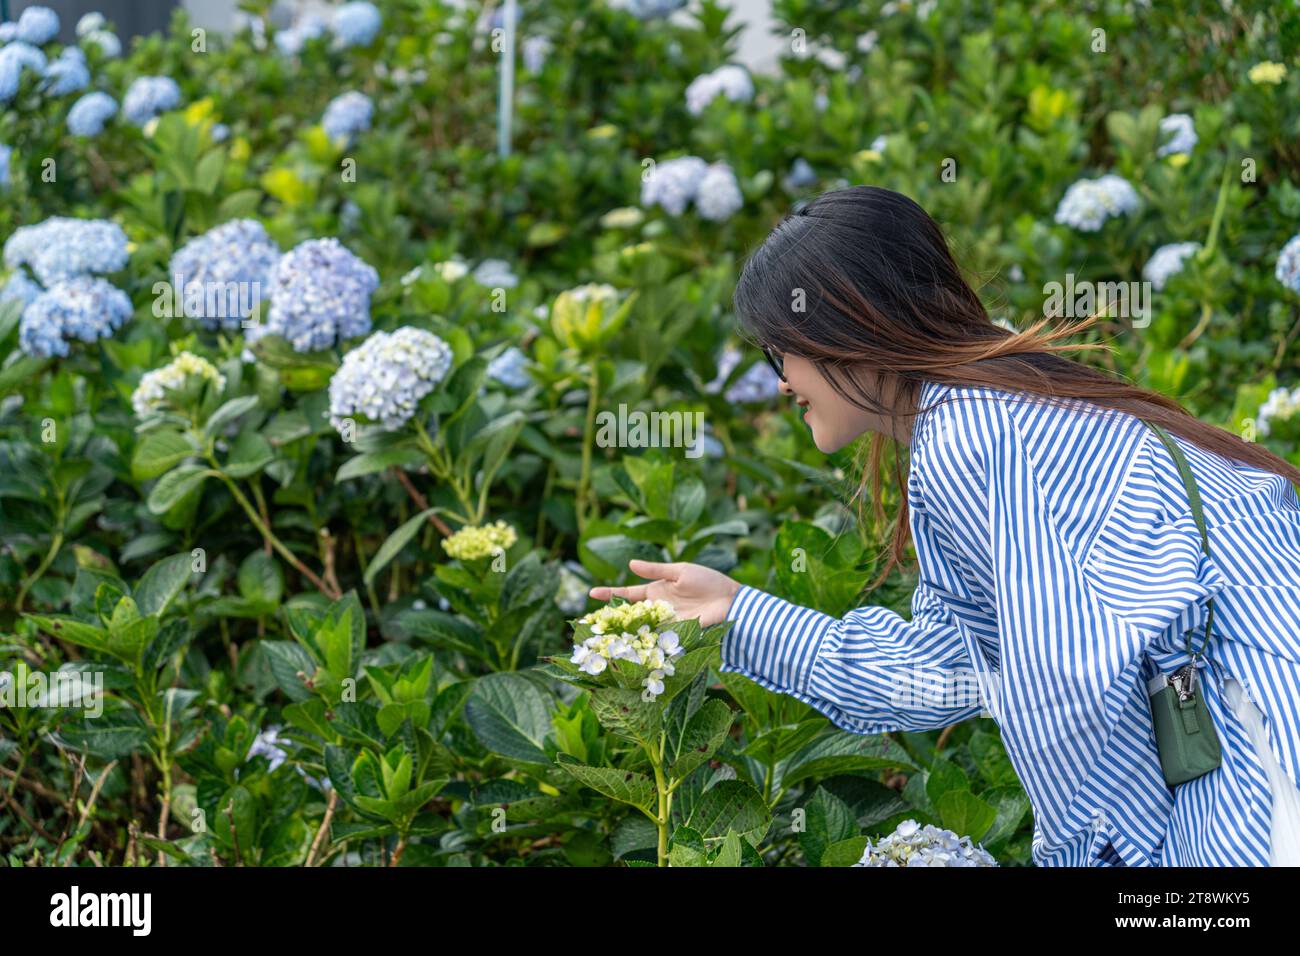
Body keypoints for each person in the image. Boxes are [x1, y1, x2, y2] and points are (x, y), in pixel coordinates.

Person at [588, 185, 1300, 867]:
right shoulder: (987, 400)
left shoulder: (970, 435)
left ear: (848, 329)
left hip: (1258, 728)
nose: (780, 382)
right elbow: (953, 667)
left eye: (783, 351)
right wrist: (740, 614)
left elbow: (1062, 687)